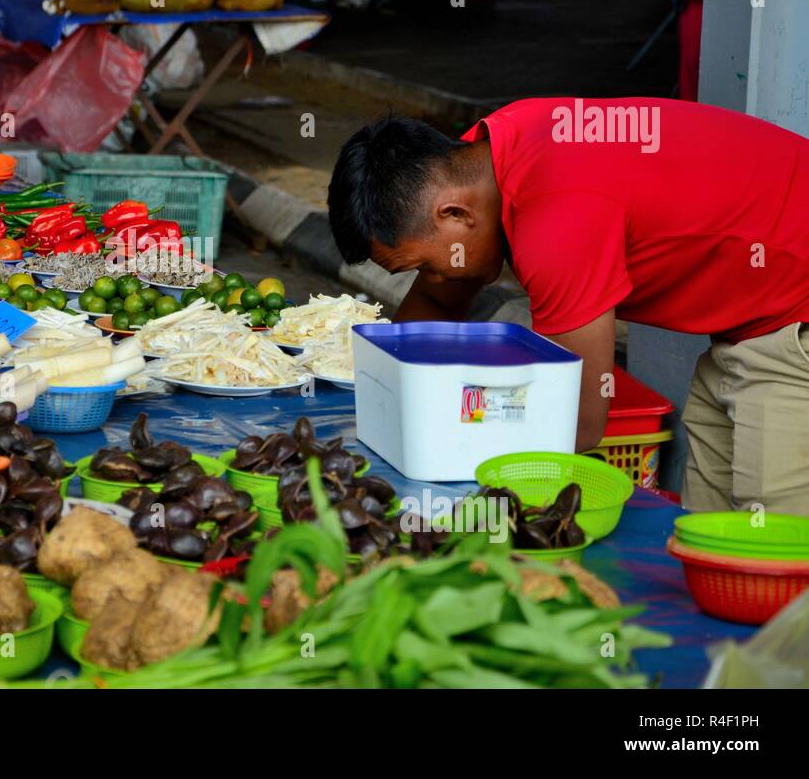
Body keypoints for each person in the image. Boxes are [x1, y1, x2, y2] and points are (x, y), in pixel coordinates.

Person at [328, 103, 809, 517]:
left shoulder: (556, 223)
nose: (437, 278)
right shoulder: (486, 156)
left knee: (780, 555)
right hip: (751, 324)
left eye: (423, 265)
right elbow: (435, 303)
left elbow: (574, 424)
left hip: (792, 320)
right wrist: (384, 404)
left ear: (454, 213)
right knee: (706, 537)